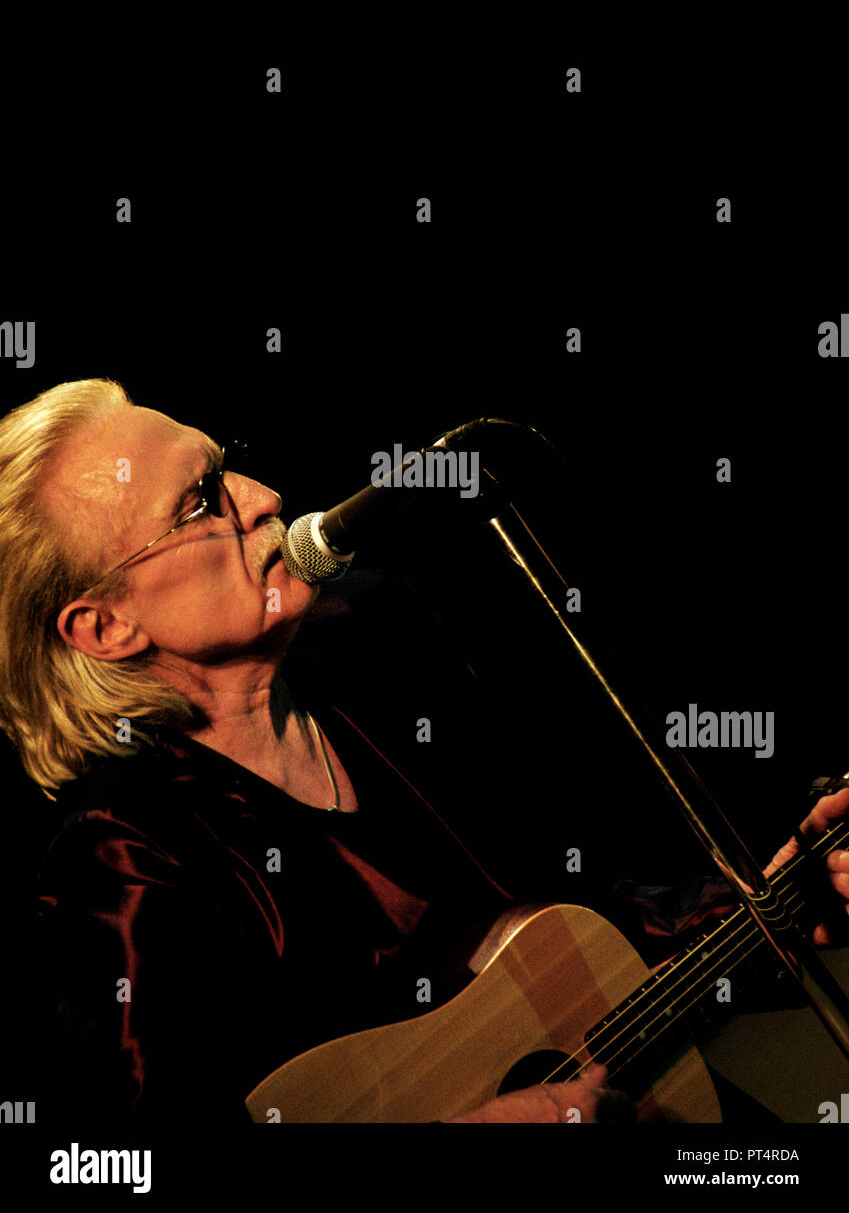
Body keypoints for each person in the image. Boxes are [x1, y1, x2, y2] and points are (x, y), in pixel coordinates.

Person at [1, 379, 847, 1125]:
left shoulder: (378, 649)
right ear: (106, 626)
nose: (262, 498)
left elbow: (579, 926)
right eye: (199, 503)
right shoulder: (120, 857)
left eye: (231, 469)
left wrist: (785, 896)